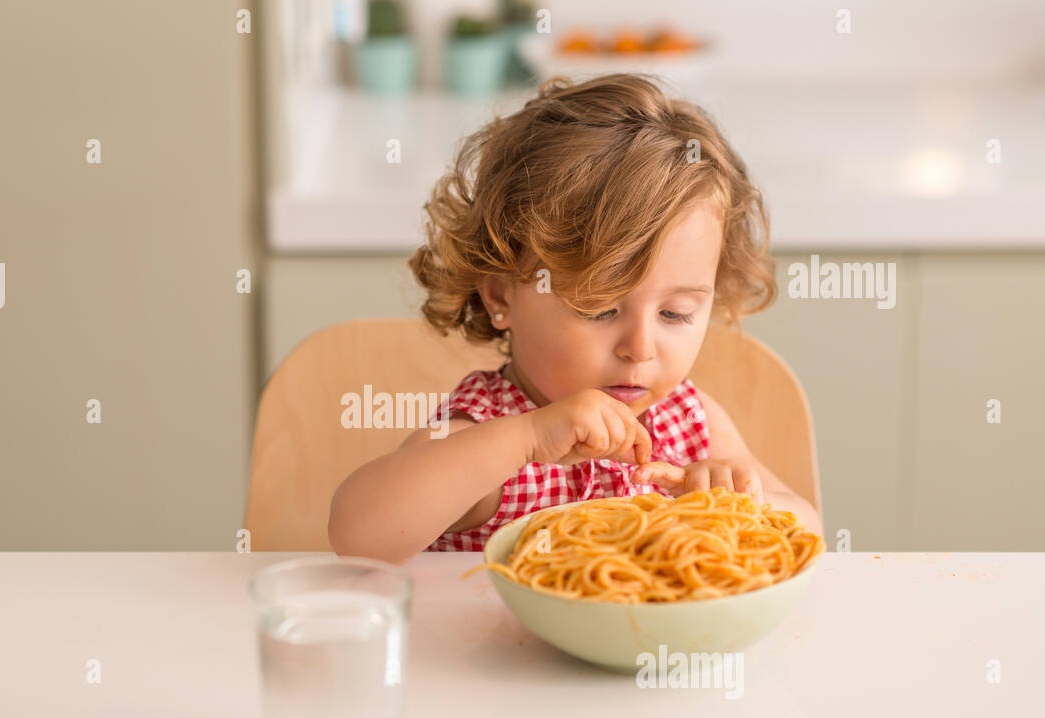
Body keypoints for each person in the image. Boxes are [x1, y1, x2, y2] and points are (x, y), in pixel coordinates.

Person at [329, 73, 823, 565]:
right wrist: (527, 439)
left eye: (675, 313)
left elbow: (809, 528)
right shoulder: (484, 429)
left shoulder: (691, 423)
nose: (641, 347)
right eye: (599, 309)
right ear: (503, 296)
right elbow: (358, 535)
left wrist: (739, 504)